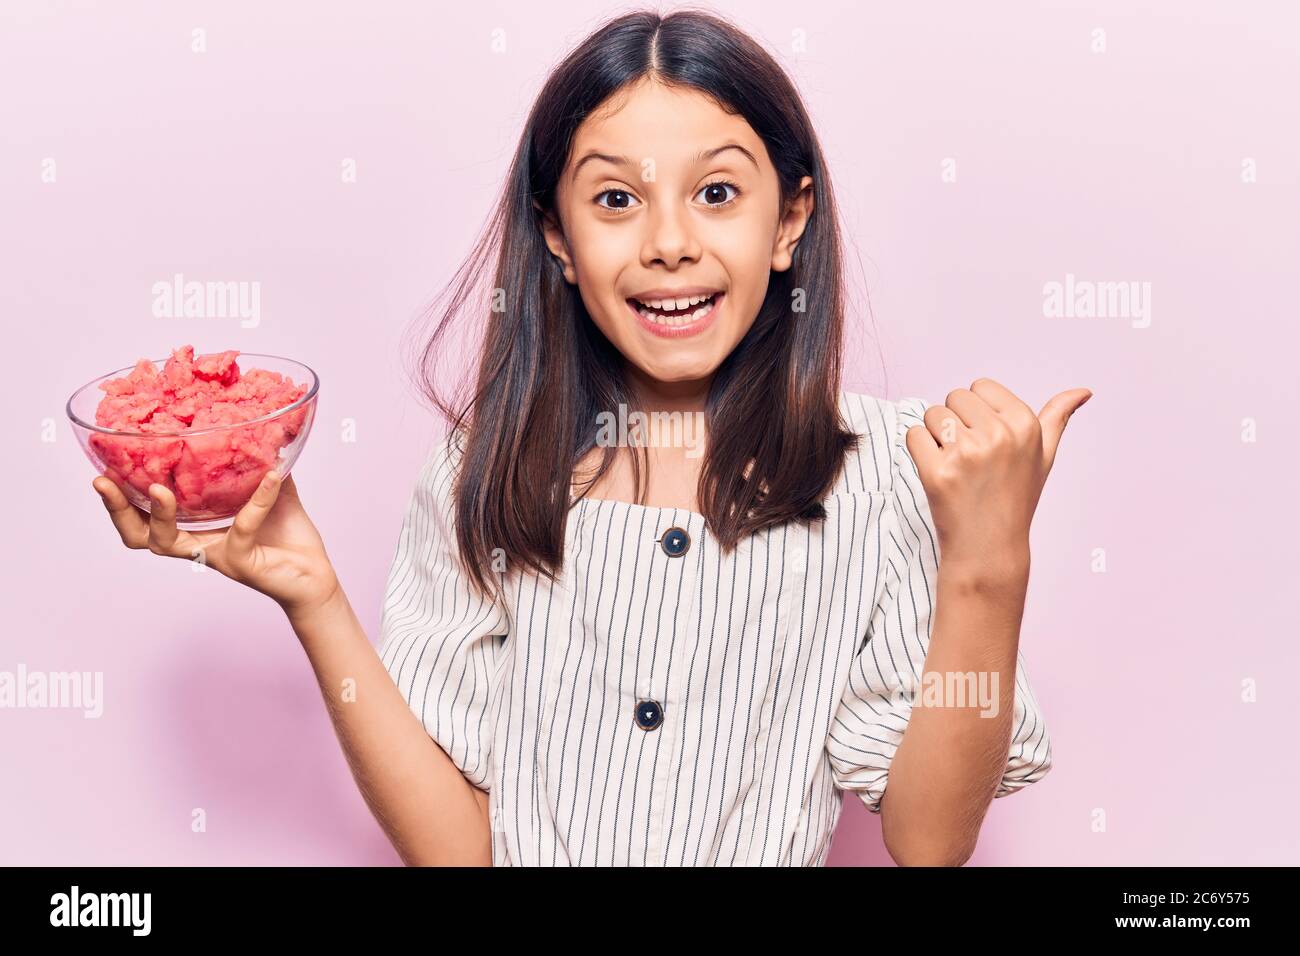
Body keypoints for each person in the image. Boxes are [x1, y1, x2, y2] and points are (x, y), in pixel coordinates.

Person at [90, 8, 1089, 866]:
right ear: (558, 236)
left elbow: (927, 836)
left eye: (717, 192)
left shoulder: (880, 475)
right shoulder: (487, 472)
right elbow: (458, 846)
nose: (666, 241)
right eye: (616, 198)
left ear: (789, 222)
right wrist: (311, 593)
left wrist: (989, 559)